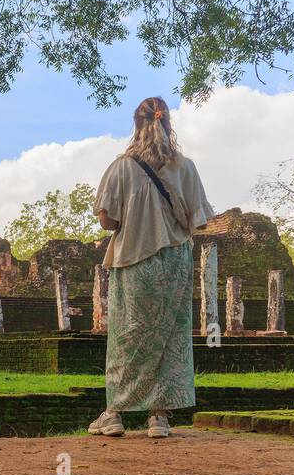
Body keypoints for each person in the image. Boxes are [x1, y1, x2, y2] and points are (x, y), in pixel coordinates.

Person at [87, 96, 214, 438]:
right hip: (174, 260)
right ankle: (159, 418)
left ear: (137, 123)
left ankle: (114, 413)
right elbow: (198, 221)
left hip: (134, 260)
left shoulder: (121, 167)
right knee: (169, 336)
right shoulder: (185, 167)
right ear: (168, 123)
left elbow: (108, 222)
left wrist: (138, 214)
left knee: (129, 337)